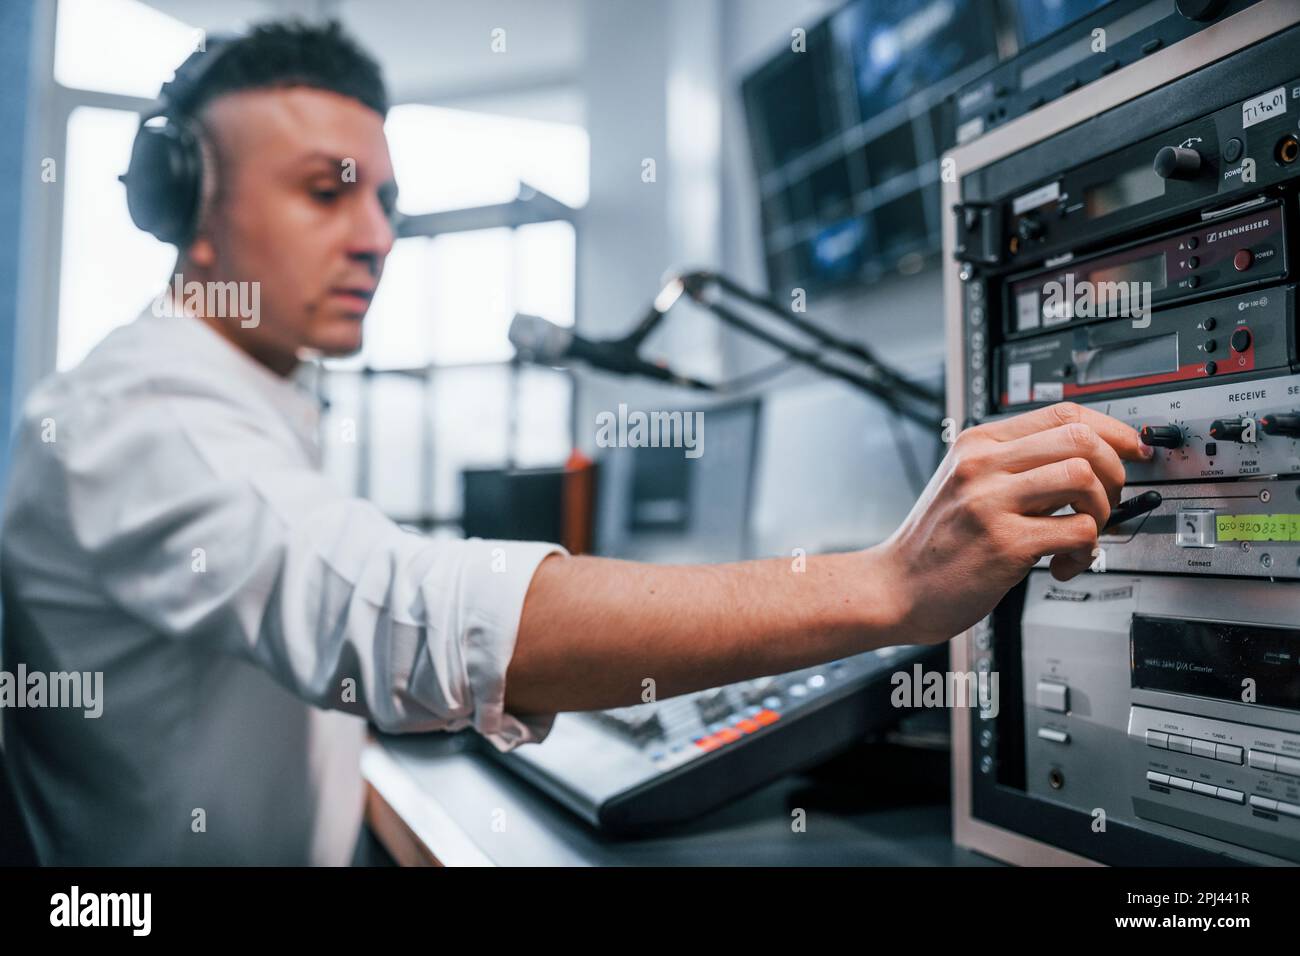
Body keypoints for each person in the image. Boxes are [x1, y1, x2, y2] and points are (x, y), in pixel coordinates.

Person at [0, 20, 1152, 865]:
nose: (374, 238)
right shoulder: (137, 418)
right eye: (324, 192)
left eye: (387, 201)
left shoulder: (253, 395)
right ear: (187, 211)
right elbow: (397, 611)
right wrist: (892, 582)